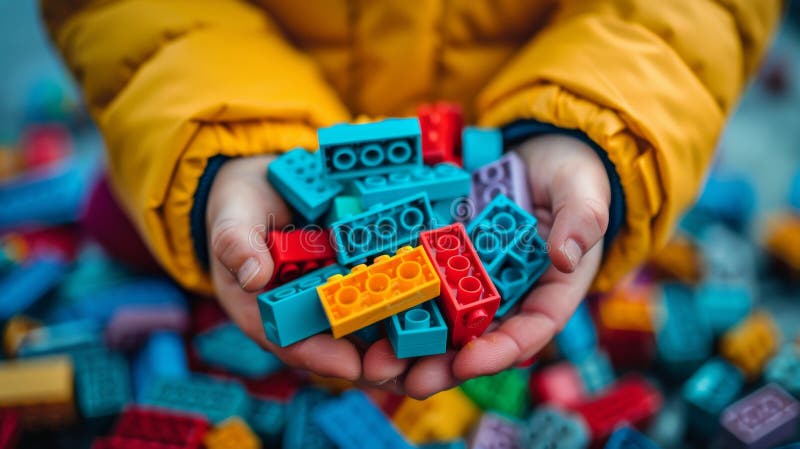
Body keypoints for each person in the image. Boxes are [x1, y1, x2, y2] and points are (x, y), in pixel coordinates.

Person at [41, 0, 782, 399]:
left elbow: (689, 16)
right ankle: (203, 194)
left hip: (526, 108)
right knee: (140, 208)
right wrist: (220, 157)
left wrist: (594, 139)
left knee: (612, 193)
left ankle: (601, 185)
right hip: (269, 114)